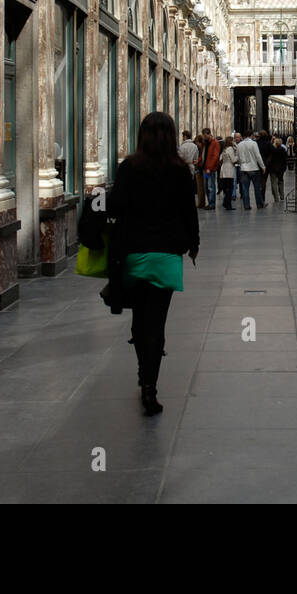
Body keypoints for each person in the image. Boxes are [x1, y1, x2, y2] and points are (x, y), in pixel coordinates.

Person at [107, 112, 199, 416]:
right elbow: (190, 210)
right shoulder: (179, 171)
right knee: (157, 321)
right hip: (167, 255)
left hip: (134, 253)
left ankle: (142, 371)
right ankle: (150, 386)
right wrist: (193, 243)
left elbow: (116, 207)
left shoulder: (128, 168)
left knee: (139, 318)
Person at [237, 130, 267, 209]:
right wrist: (263, 166)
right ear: (251, 135)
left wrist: (241, 164)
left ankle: (246, 205)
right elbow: (258, 156)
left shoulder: (239, 145)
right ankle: (259, 204)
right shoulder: (254, 144)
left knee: (245, 189)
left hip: (243, 169)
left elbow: (238, 157)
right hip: (254, 168)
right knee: (257, 188)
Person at [201, 129, 221, 211]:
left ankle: (212, 204)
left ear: (209, 134)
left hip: (210, 169)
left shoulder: (215, 143)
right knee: (206, 186)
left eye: (205, 135)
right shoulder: (205, 144)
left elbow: (215, 157)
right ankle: (210, 203)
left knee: (210, 186)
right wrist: (198, 161)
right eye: (203, 135)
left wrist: (209, 168)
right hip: (206, 168)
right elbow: (203, 155)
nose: (204, 137)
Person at [267, 135, 289, 206]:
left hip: (273, 168)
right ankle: (282, 196)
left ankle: (276, 198)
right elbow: (285, 160)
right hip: (281, 168)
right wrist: (285, 167)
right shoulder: (283, 150)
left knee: (274, 182)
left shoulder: (272, 150)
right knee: (281, 181)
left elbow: (270, 160)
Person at [218, 135, 238, 210]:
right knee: (230, 188)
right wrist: (238, 156)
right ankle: (227, 204)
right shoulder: (230, 149)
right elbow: (233, 160)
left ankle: (226, 203)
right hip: (229, 169)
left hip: (223, 169)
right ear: (230, 141)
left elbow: (220, 159)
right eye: (232, 140)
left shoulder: (224, 149)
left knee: (226, 188)